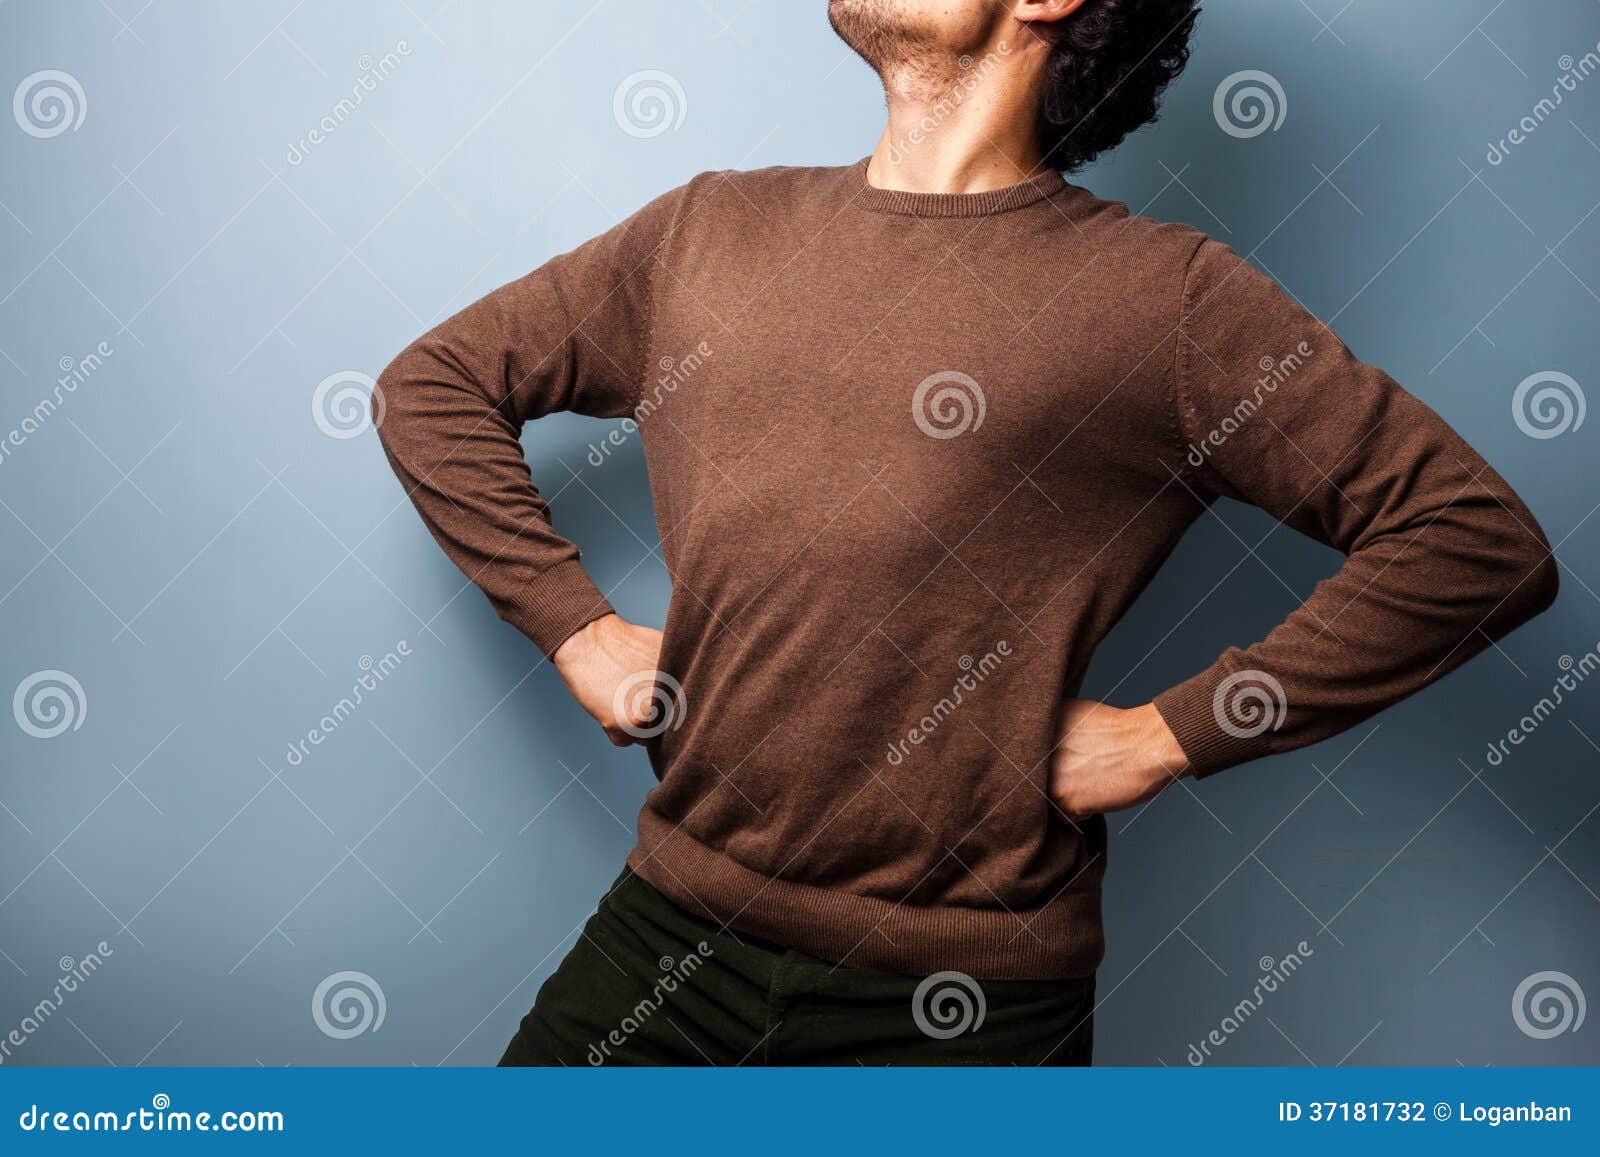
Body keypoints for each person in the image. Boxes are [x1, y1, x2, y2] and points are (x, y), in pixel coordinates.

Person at [375, 0, 1558, 1065]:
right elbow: (432, 385)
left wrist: (1167, 732)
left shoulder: (1168, 302)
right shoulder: (707, 228)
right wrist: (575, 626)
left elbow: (1472, 540)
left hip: (960, 1010)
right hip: (667, 940)